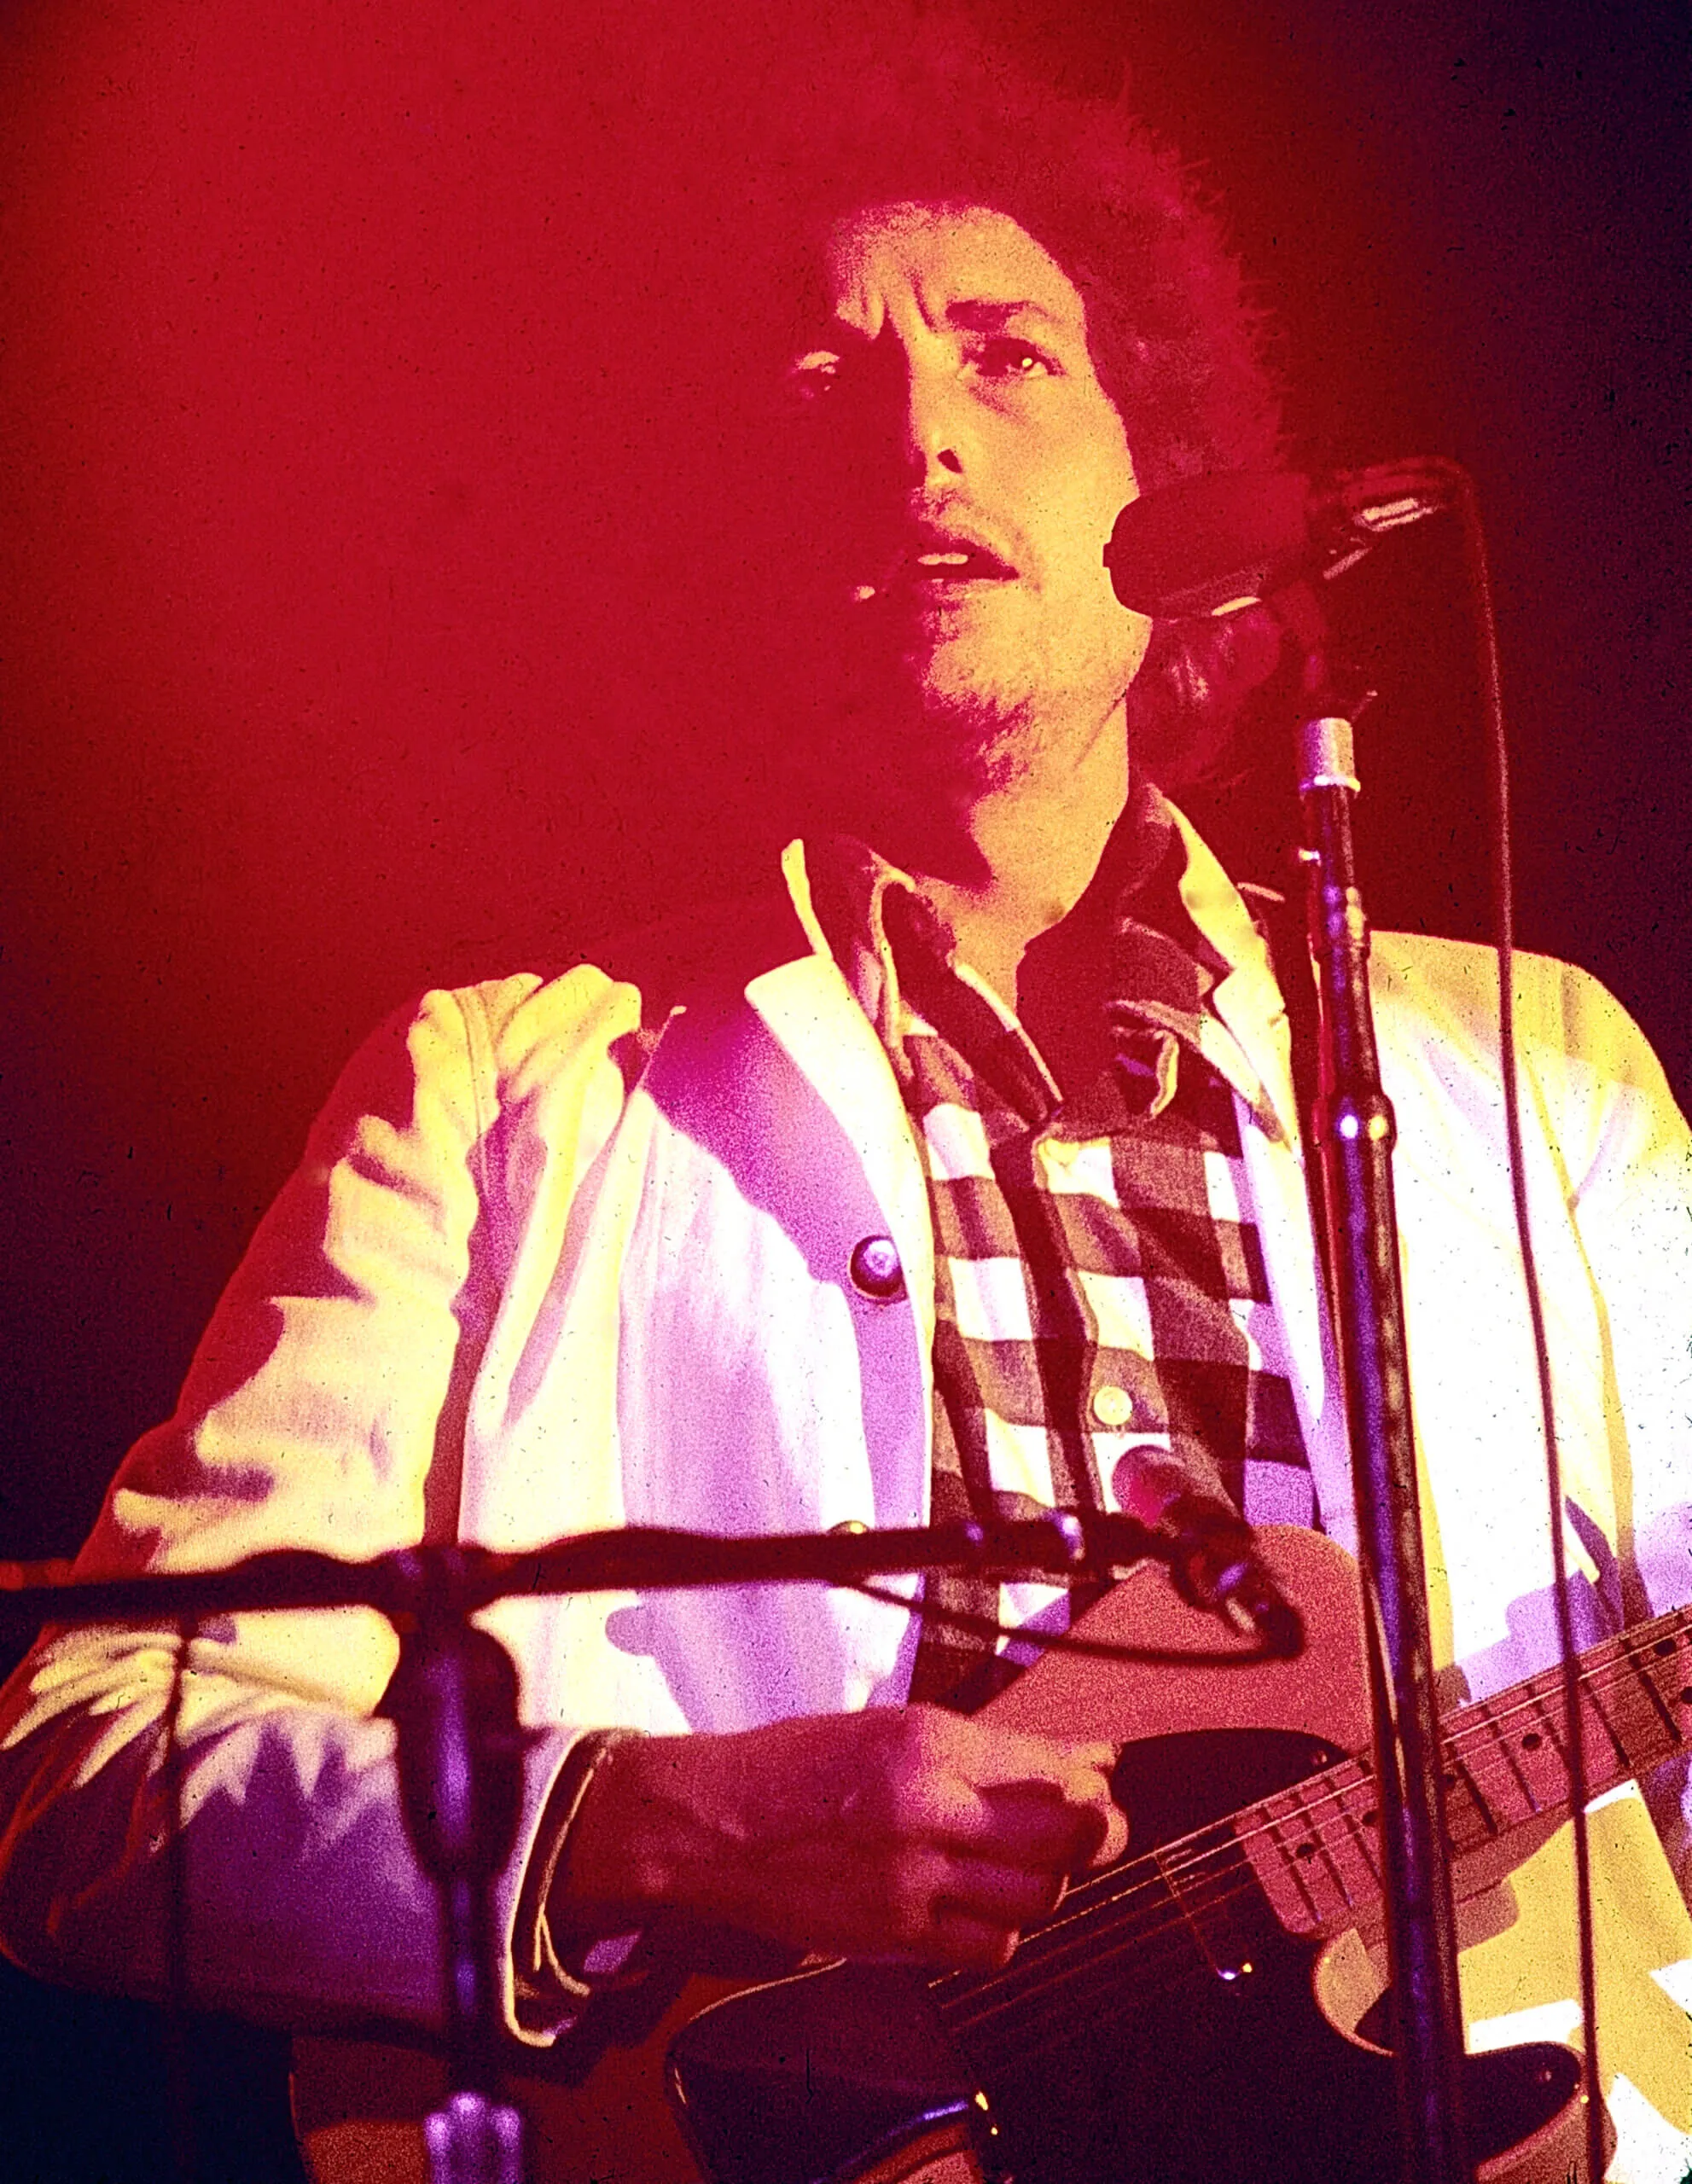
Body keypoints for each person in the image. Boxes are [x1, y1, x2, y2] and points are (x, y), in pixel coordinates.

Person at [0, 26, 1689, 2182]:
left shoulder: (1534, 1076)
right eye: (823, 386)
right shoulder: (495, 1091)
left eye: (1008, 357)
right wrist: (642, 1825)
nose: (917, 436)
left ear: (1158, 478)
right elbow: (85, 1763)